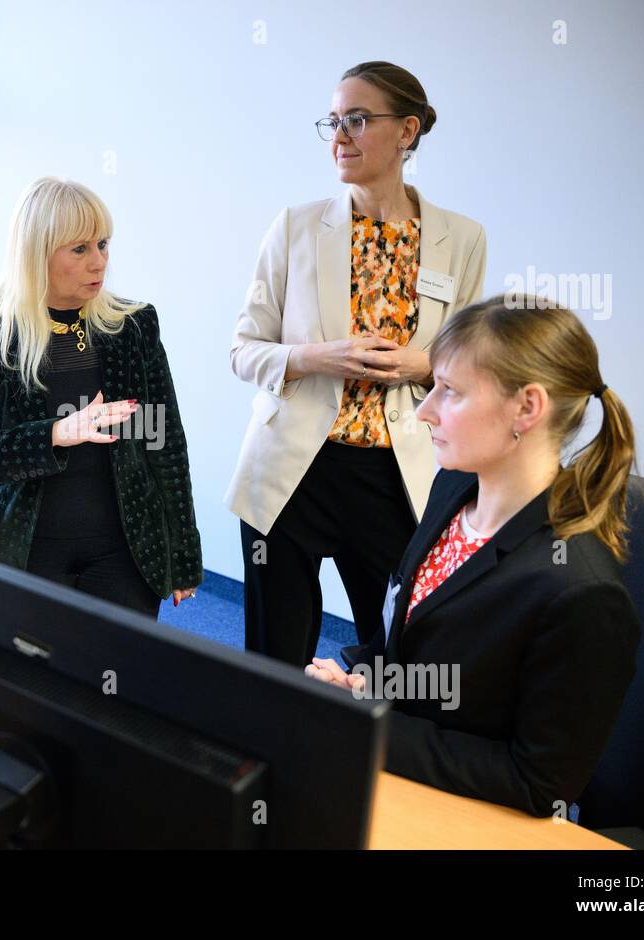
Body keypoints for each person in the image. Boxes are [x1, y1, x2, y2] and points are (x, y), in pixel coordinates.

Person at [305, 295, 641, 818]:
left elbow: (537, 782)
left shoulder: (578, 590)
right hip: (401, 768)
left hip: (463, 812)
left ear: (526, 407)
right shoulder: (454, 487)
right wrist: (360, 677)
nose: (423, 410)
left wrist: (371, 720)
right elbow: (410, 634)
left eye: (451, 392)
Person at [226, 61, 488, 664]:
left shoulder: (463, 238)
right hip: (293, 468)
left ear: (407, 131)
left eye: (358, 120)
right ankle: (274, 757)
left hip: (397, 476)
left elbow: (470, 365)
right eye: (333, 121)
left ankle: (370, 761)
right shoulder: (295, 227)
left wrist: (420, 367)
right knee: (275, 654)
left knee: (396, 653)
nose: (339, 136)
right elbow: (243, 350)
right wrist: (318, 357)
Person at [0, 177, 202, 617]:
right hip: (20, 549)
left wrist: (184, 555)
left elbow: (165, 443)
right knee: (27, 680)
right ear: (36, 254)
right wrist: (54, 434)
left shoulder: (132, 328)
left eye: (103, 245)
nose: (99, 262)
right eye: (79, 250)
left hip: (124, 552)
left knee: (117, 678)